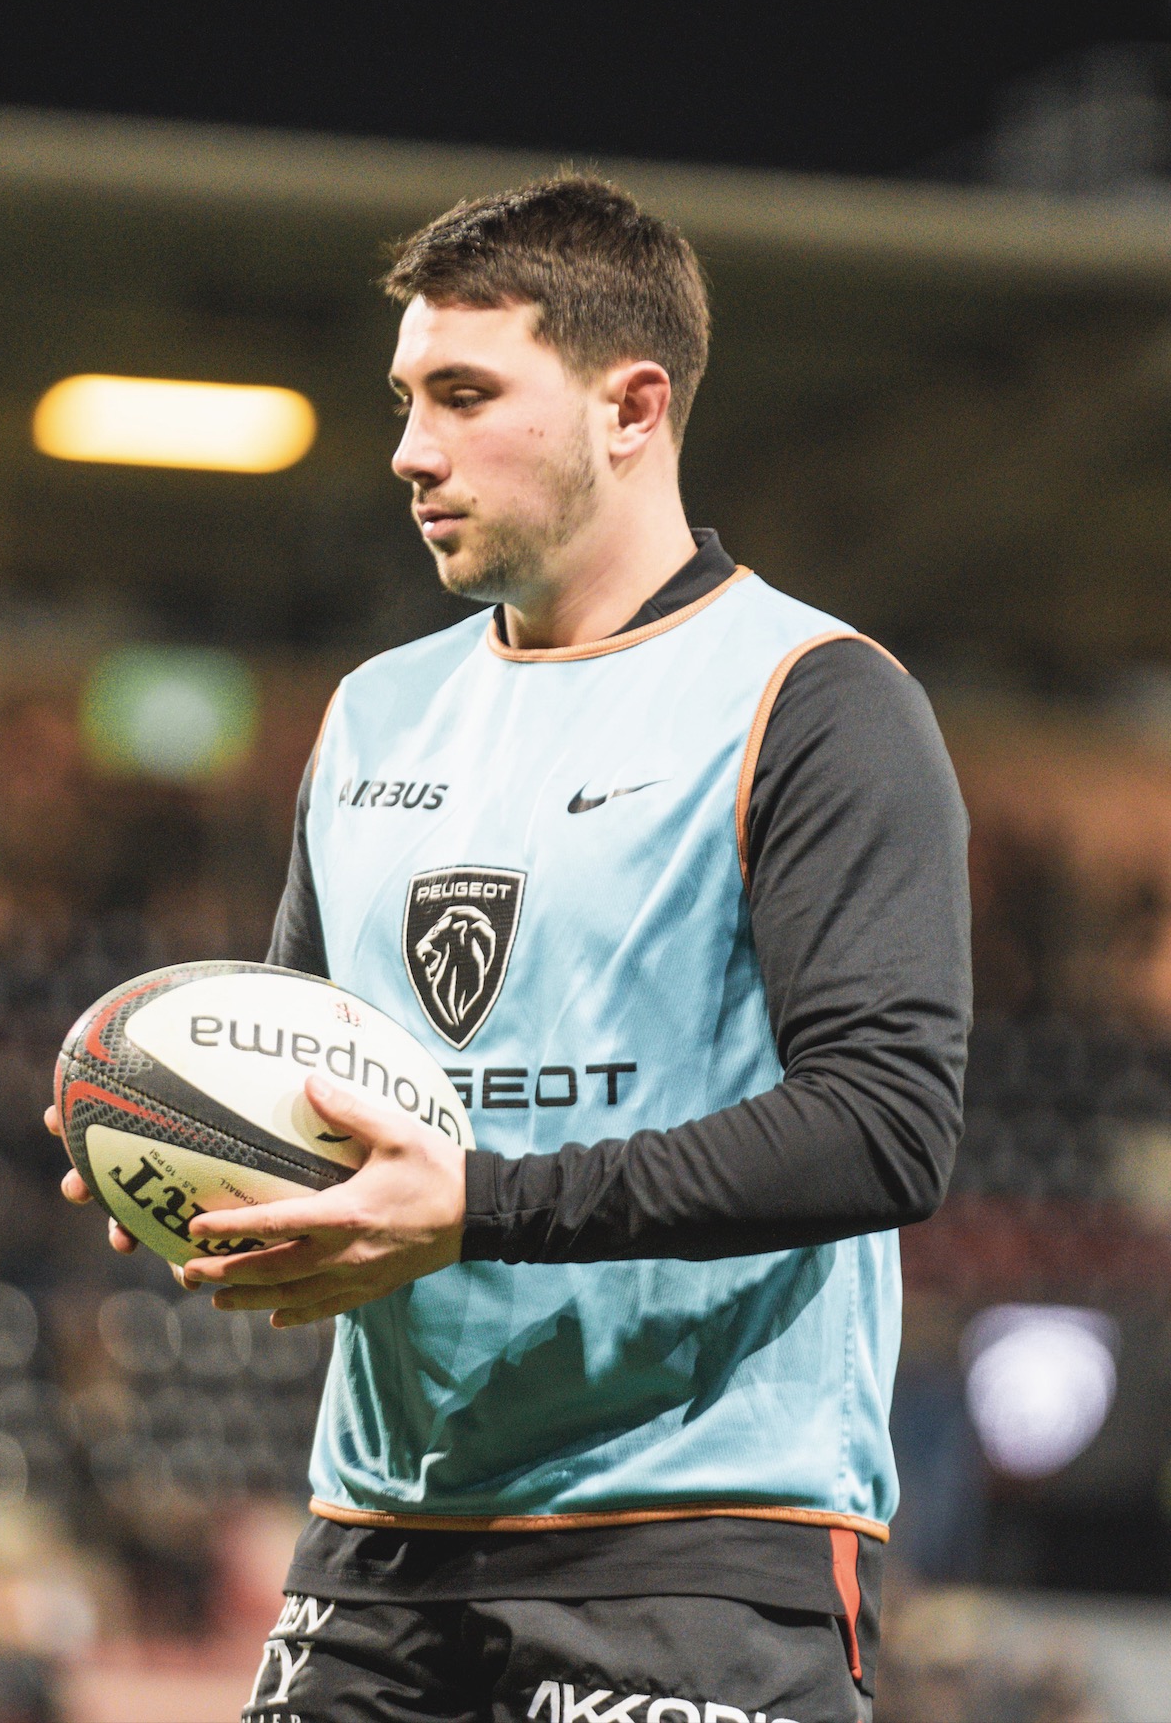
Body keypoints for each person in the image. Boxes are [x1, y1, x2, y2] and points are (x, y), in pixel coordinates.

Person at [49, 174, 969, 1720]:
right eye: (408, 399)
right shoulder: (372, 714)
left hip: (689, 1536)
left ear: (633, 407)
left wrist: (475, 1210)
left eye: (467, 396)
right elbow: (310, 1097)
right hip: (378, 1538)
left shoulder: (810, 698)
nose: (412, 450)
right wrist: (188, 1173)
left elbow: (886, 1130)